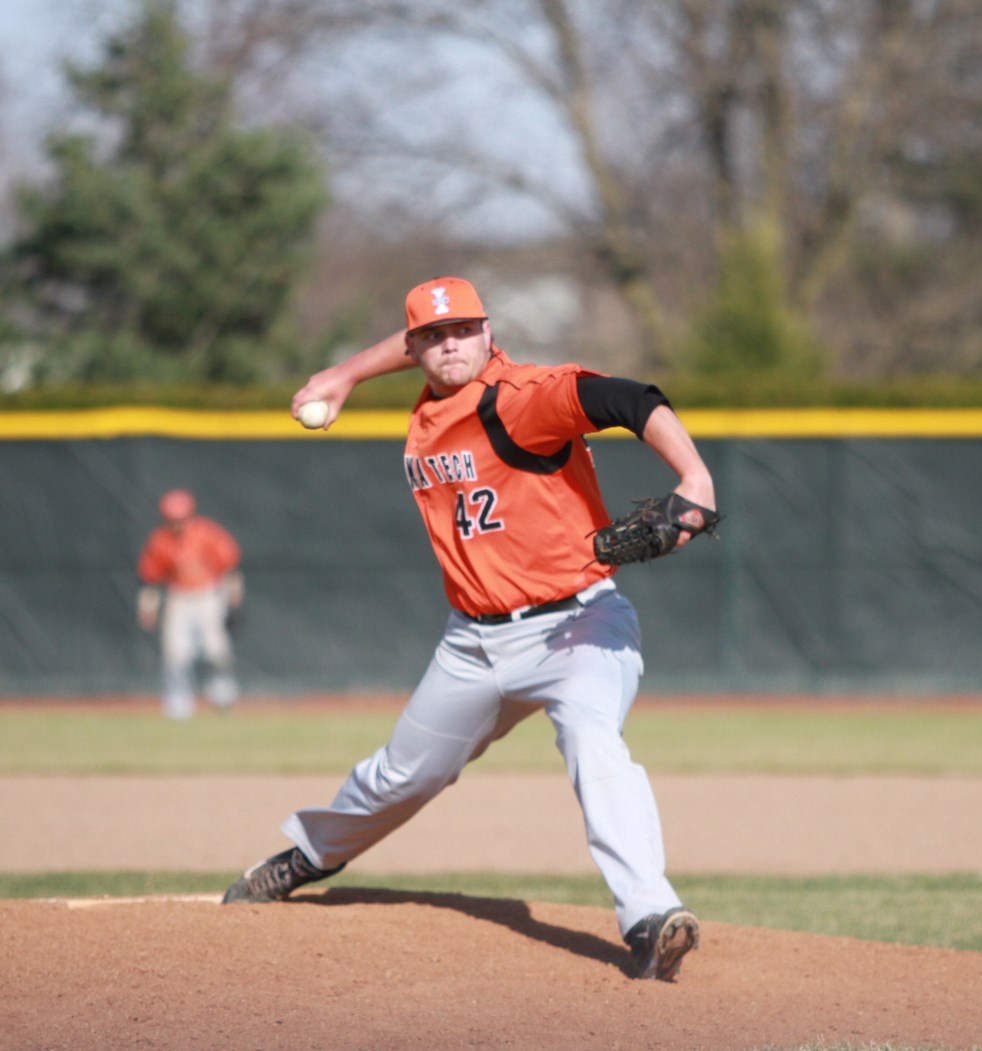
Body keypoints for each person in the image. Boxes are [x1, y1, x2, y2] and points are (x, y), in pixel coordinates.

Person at [221, 276, 719, 982]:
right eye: (433, 335)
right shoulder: (432, 392)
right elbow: (416, 341)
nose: (450, 344)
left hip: (577, 625)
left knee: (592, 737)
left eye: (464, 331)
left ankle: (649, 916)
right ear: (416, 347)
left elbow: (629, 399)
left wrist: (695, 476)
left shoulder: (521, 398)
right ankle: (309, 855)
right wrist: (344, 372)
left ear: (490, 333)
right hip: (473, 641)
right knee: (399, 776)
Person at [136, 488, 244, 720]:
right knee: (176, 652)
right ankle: (178, 699)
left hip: (209, 594)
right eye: (172, 519)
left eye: (181, 519)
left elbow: (229, 567)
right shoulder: (160, 540)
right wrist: (148, 608)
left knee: (216, 647)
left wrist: (234, 599)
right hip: (179, 597)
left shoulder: (207, 533)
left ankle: (222, 688)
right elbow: (150, 579)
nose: (177, 524)